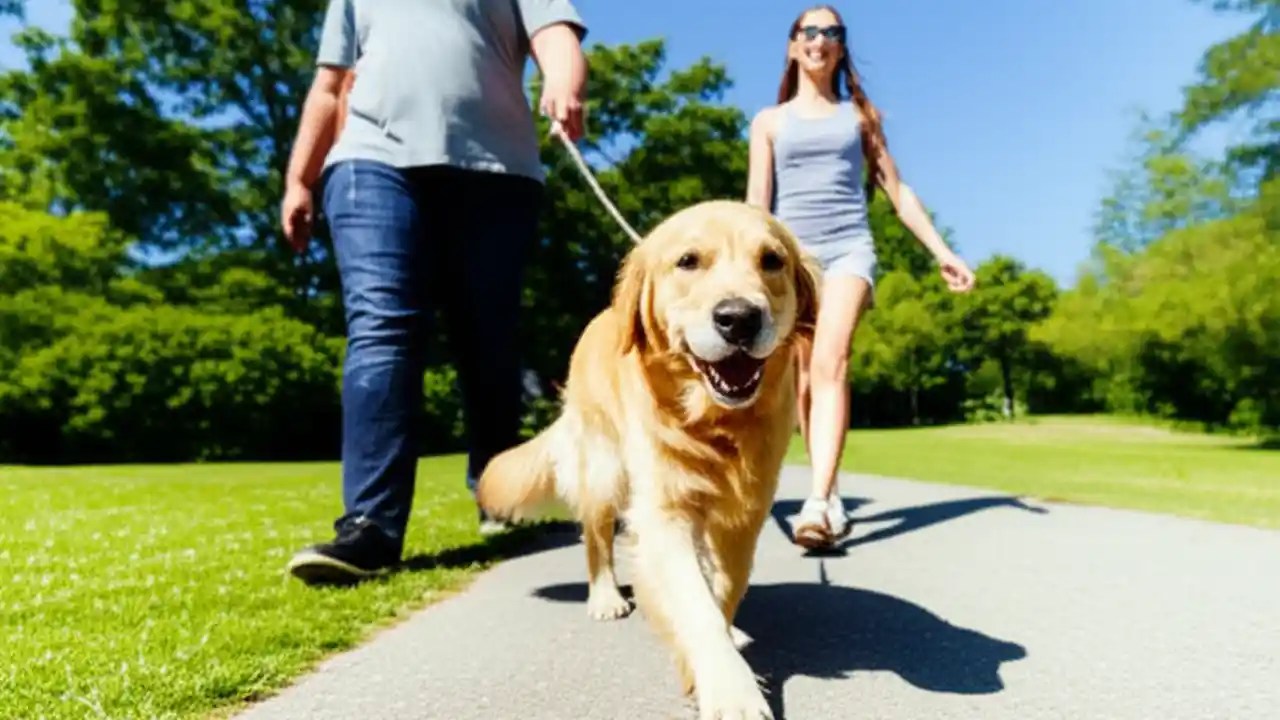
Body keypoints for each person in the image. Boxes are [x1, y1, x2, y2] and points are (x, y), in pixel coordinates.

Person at [279, 0, 589, 584]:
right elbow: (331, 84)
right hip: (372, 163)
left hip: (496, 174)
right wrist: (300, 177)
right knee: (382, 328)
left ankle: (501, 495)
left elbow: (556, 36)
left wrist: (563, 84)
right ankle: (370, 526)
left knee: (487, 340)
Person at [745, 4, 975, 549]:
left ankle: (819, 504)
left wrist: (942, 250)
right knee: (802, 379)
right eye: (810, 31)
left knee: (831, 362)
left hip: (849, 251)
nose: (820, 39)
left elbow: (896, 191)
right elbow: (757, 203)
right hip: (794, 259)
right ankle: (830, 486)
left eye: (832, 32)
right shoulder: (769, 122)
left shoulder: (860, 118)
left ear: (841, 47)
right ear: (793, 45)